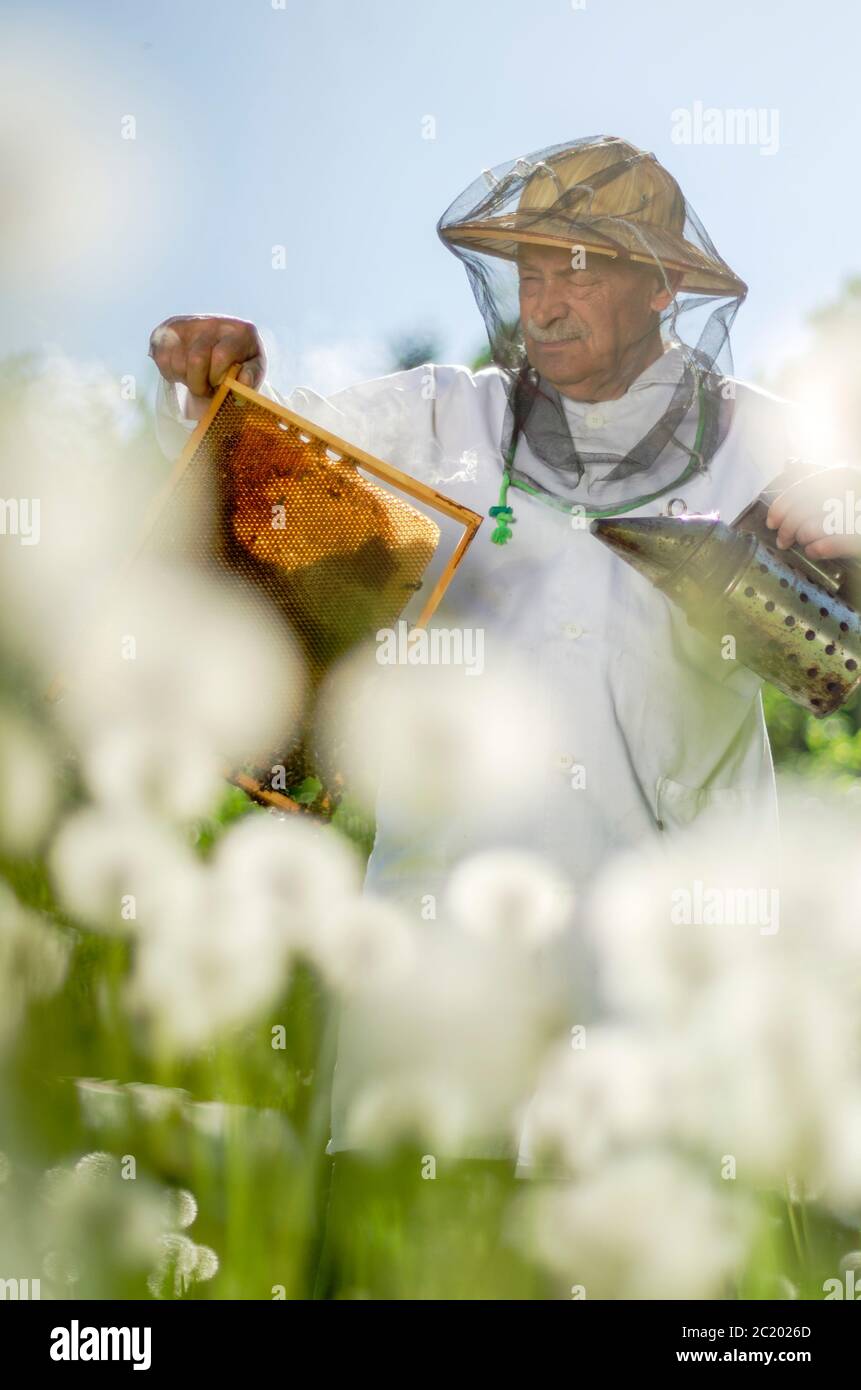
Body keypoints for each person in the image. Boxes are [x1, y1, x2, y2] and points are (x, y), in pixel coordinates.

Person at [149, 136, 858, 1177]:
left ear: (663, 285)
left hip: (662, 999)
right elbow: (251, 454)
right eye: (529, 272)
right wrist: (206, 375)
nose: (543, 303)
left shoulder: (765, 436)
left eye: (580, 270)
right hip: (435, 988)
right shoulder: (443, 418)